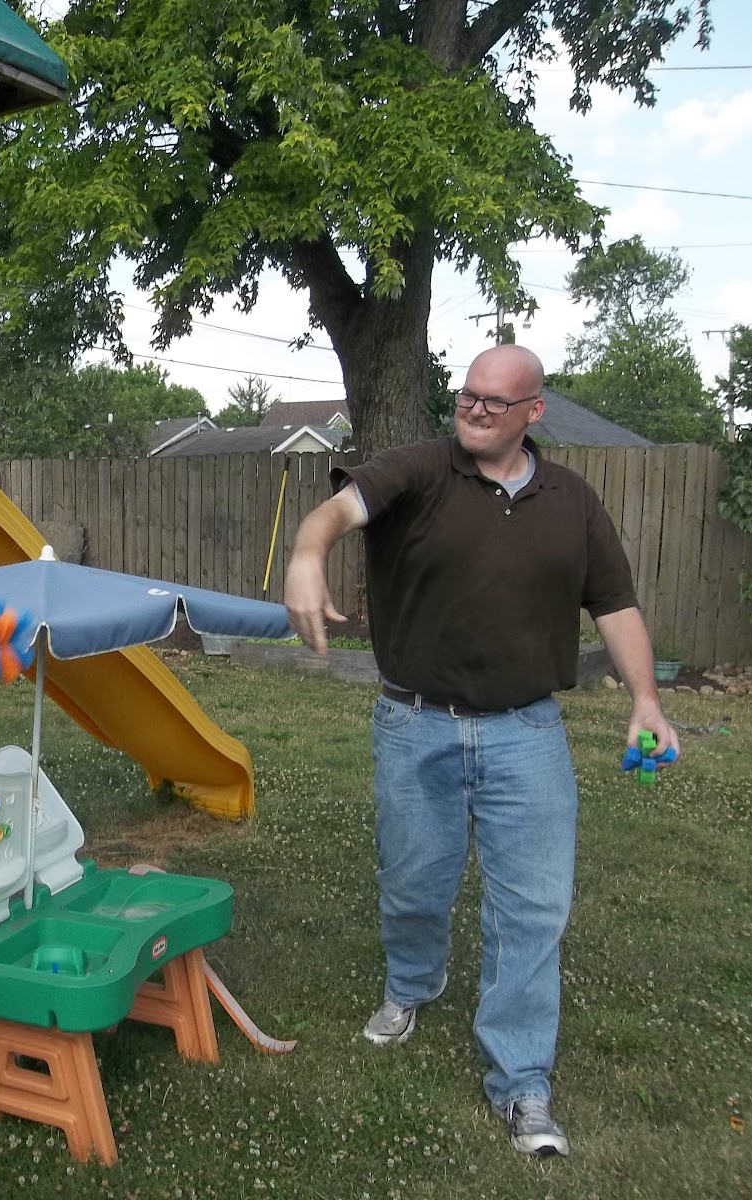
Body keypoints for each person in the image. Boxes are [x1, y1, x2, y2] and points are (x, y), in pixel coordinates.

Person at [283, 344, 679, 1159]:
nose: (475, 410)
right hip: (414, 721)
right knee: (414, 883)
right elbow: (338, 510)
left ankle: (523, 1081)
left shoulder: (572, 501)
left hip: (526, 730)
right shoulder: (418, 471)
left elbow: (617, 606)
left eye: (497, 402)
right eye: (467, 395)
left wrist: (646, 698)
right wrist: (306, 552)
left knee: (532, 910)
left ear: (536, 412)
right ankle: (411, 985)